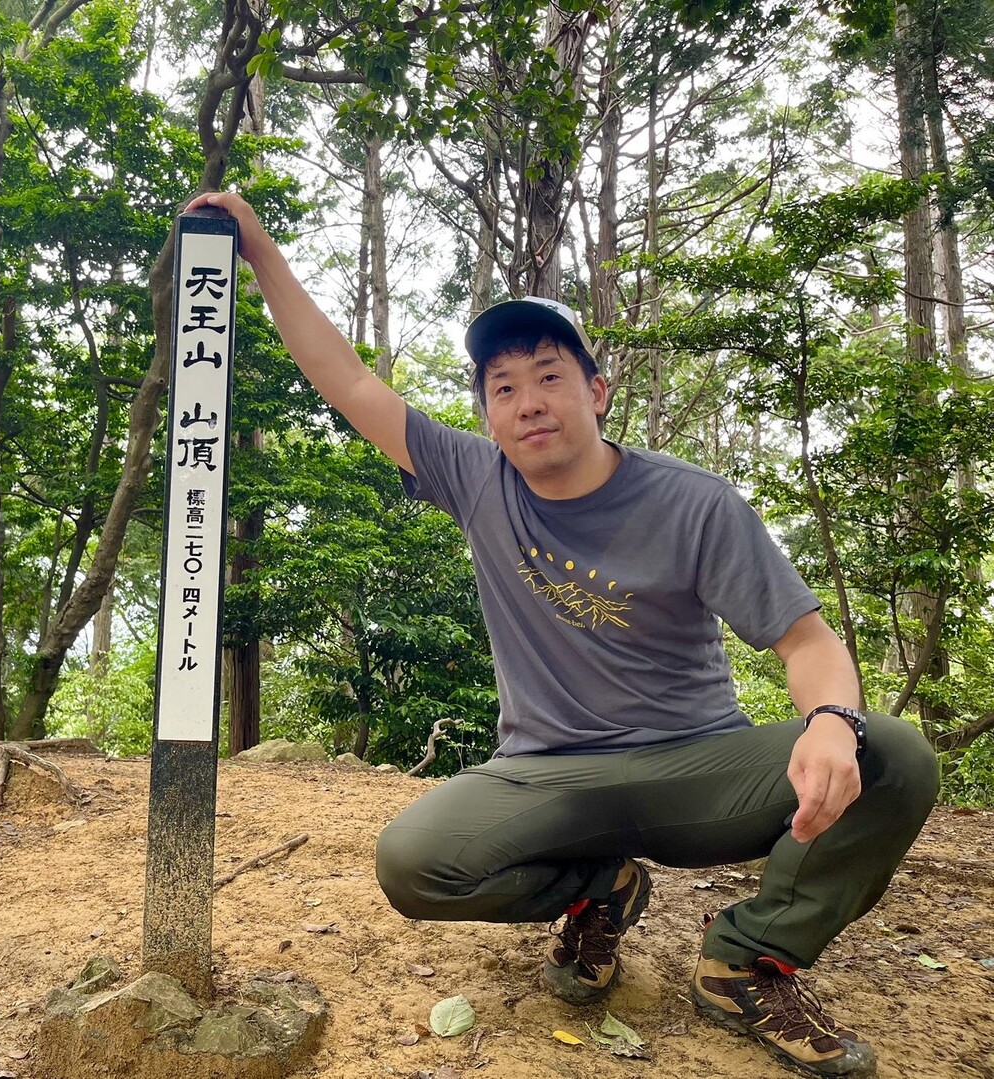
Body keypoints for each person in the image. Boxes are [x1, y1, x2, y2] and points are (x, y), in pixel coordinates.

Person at [184, 190, 938, 1078]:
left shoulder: (691, 501)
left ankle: (747, 957)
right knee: (413, 862)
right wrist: (258, 251)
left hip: (693, 766)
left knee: (892, 752)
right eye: (502, 387)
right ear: (487, 412)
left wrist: (826, 724)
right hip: (543, 771)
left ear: (595, 390)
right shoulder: (475, 477)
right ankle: (601, 888)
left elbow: (805, 642)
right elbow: (345, 381)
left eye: (548, 375)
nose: (528, 402)